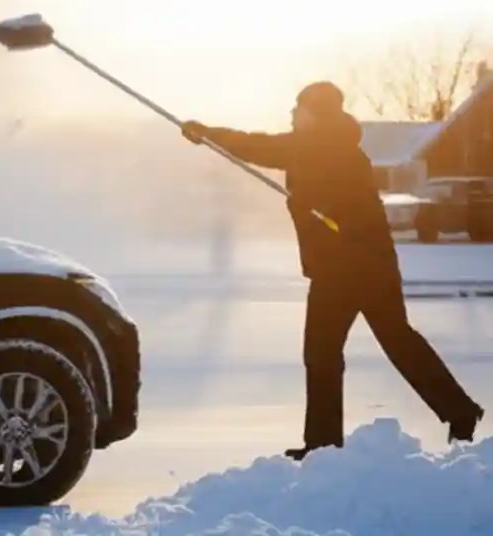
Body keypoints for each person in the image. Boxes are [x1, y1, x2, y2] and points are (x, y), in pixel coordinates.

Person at [181, 81, 484, 460]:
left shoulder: (323, 147)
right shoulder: (326, 145)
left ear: (317, 113)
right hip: (362, 265)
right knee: (395, 344)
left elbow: (259, 146)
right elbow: (261, 146)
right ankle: (458, 411)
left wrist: (208, 134)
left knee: (326, 352)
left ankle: (324, 444)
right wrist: (210, 136)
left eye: (299, 108)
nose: (293, 114)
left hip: (349, 268)